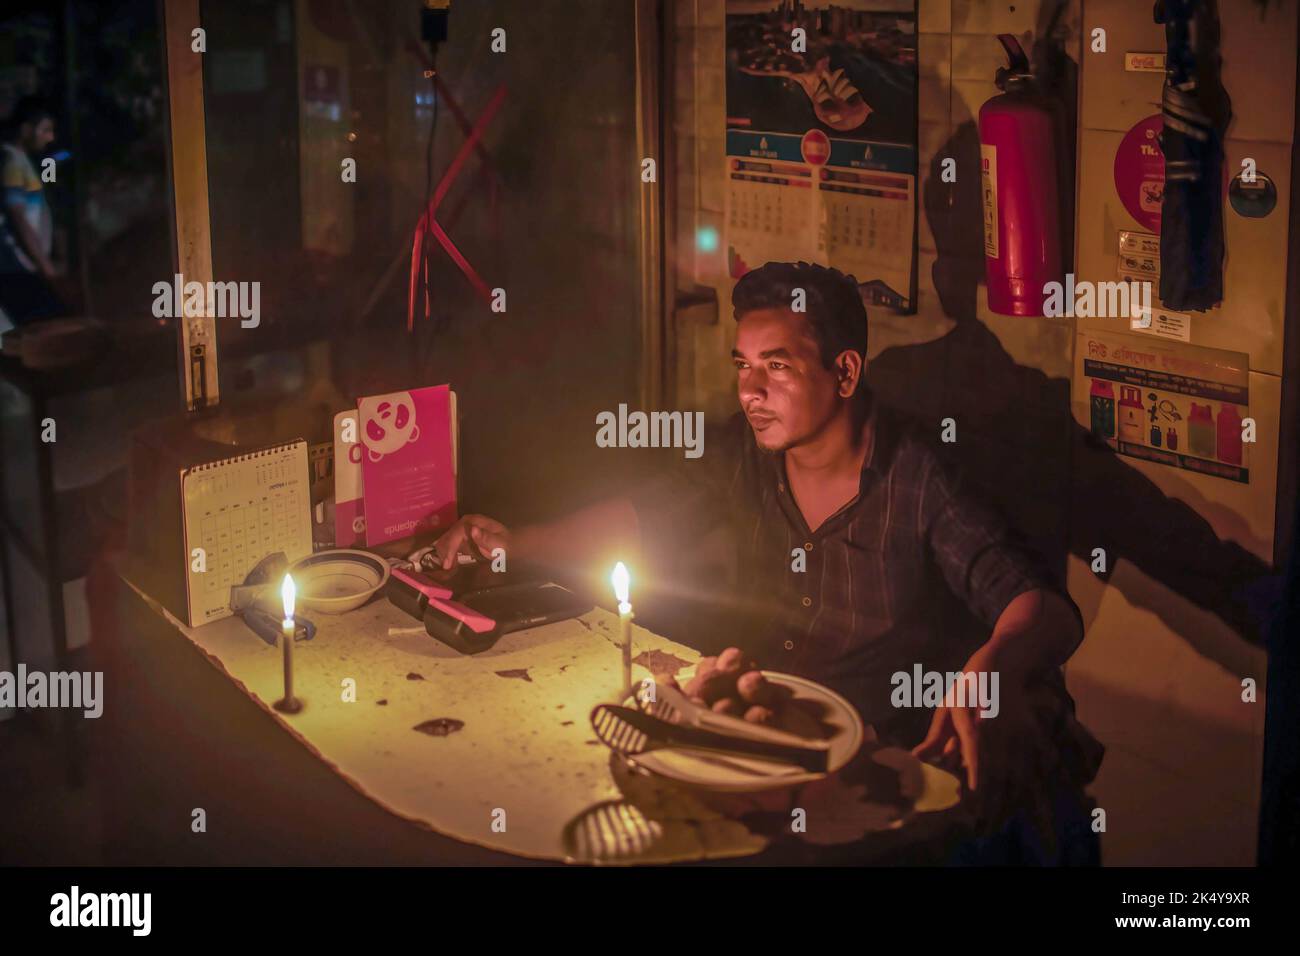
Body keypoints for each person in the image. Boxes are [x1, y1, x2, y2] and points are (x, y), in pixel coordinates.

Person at [433, 260, 1104, 863]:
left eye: (776, 366)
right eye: (742, 365)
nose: (750, 390)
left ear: (844, 372)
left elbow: (1038, 605)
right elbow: (646, 517)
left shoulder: (918, 475)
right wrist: (514, 545)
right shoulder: (746, 453)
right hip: (776, 764)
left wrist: (993, 664)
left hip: (893, 779)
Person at [0, 96, 65, 328]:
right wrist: (46, 267)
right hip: (18, 270)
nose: (50, 137)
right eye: (45, 129)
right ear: (26, 129)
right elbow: (18, 219)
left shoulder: (20, 161)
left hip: (24, 267)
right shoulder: (12, 163)